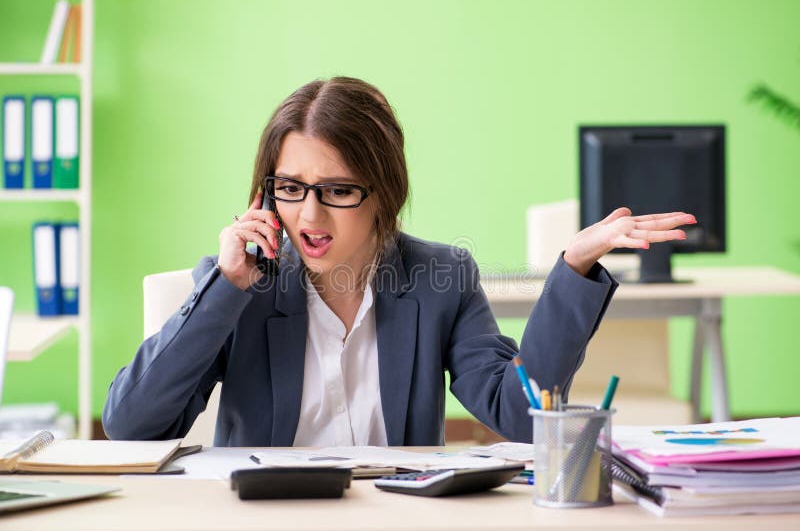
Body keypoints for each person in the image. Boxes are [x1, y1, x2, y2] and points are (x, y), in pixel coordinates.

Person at [102, 77, 694, 446]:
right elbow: (132, 425)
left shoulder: (443, 279)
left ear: (384, 191)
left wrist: (573, 268)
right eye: (289, 187)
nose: (309, 217)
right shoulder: (240, 282)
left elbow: (517, 413)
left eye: (337, 189)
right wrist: (226, 287)